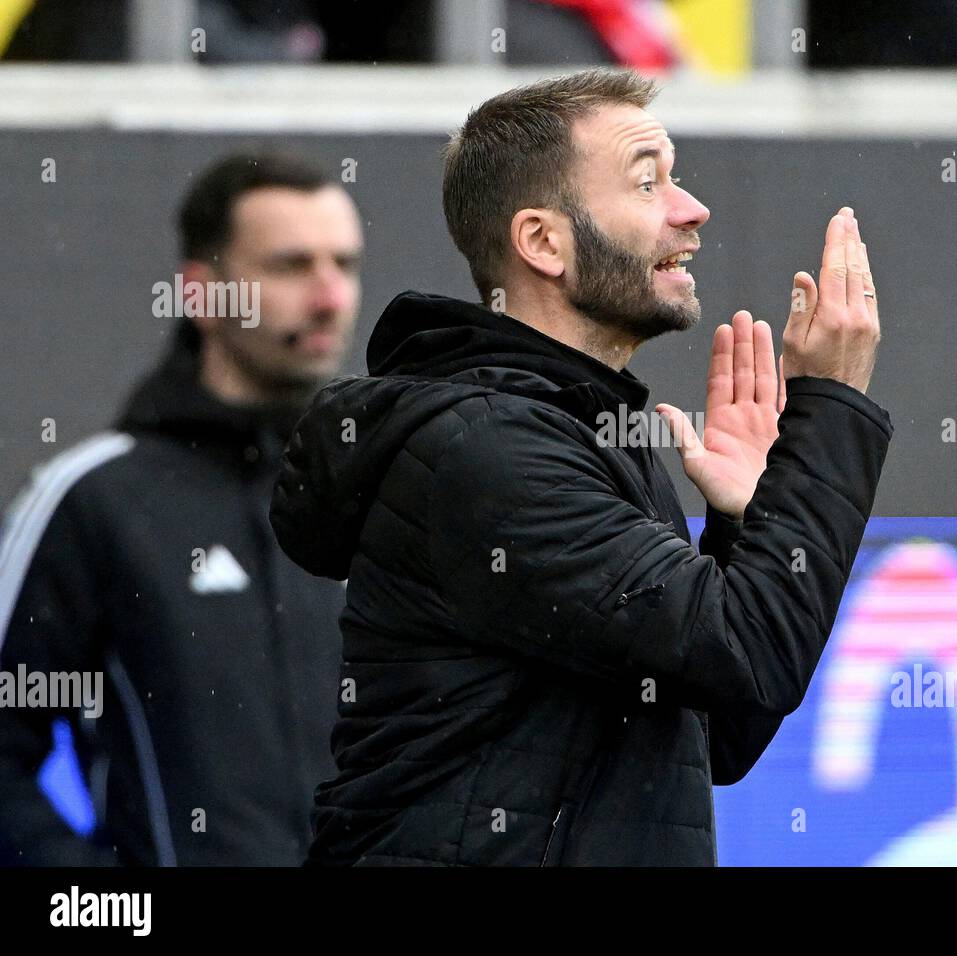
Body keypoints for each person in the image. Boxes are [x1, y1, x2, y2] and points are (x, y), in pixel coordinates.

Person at [270, 68, 891, 866]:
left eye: (677, 176)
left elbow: (718, 729)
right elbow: (748, 655)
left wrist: (743, 521)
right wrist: (830, 409)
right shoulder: (488, 448)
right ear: (542, 242)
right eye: (647, 182)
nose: (691, 208)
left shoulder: (566, 430)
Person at [0, 152, 364, 865]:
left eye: (344, 265)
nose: (329, 297)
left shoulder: (388, 488)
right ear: (201, 295)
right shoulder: (91, 498)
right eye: (292, 266)